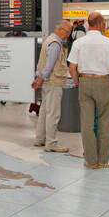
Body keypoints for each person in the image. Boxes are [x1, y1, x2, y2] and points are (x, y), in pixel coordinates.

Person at [66, 11, 109, 168]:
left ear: (88, 24)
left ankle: (90, 160)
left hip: (84, 81)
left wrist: (78, 82)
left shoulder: (79, 43)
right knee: (104, 122)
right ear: (101, 24)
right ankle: (103, 160)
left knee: (87, 124)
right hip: (103, 82)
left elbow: (72, 67)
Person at [31, 21, 73, 153]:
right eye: (67, 32)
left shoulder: (48, 40)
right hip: (53, 82)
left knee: (44, 111)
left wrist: (39, 77)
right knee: (53, 113)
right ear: (61, 30)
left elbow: (40, 63)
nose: (68, 35)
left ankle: (40, 138)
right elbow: (49, 65)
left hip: (47, 82)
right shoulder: (55, 44)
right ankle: (51, 143)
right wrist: (42, 78)